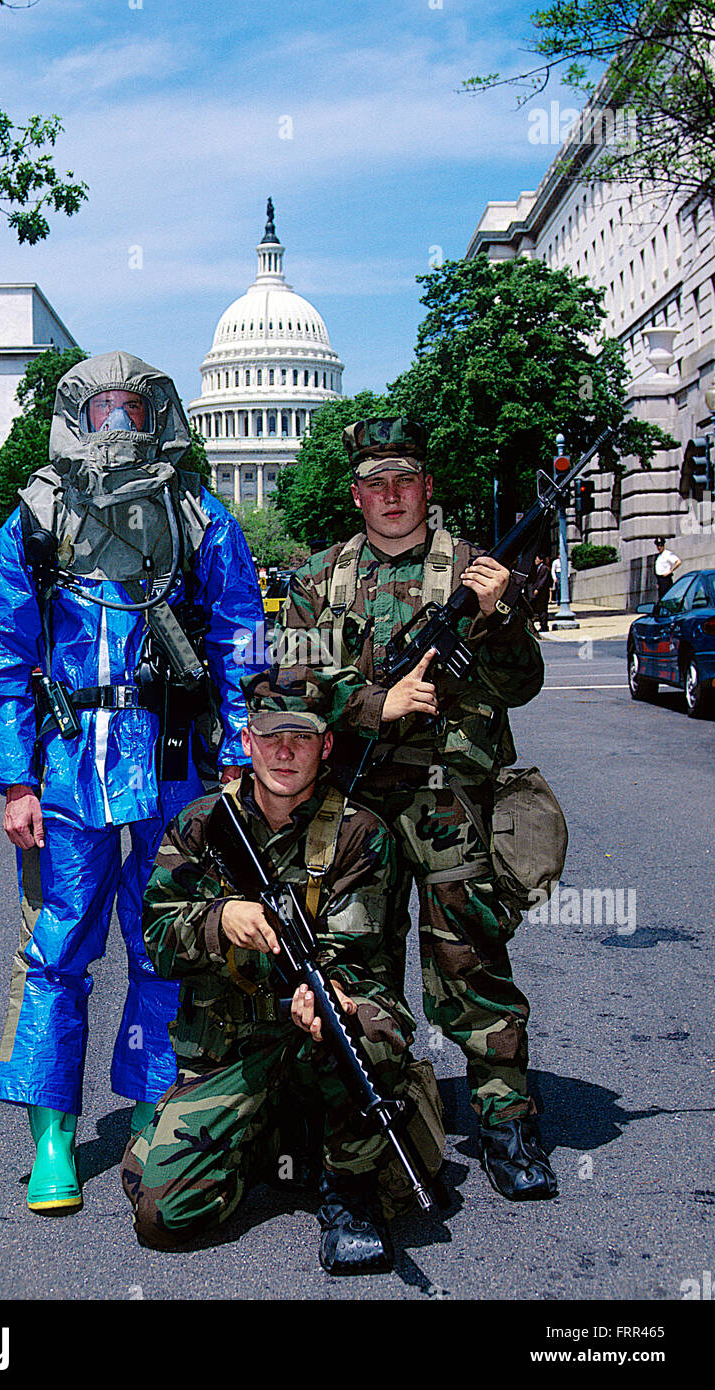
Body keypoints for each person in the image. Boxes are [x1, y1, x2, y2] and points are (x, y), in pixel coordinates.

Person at [0, 351, 263, 1213]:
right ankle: (52, 1134)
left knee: (161, 944)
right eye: (103, 412)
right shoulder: (34, 518)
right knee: (56, 950)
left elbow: (242, 635)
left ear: (158, 412)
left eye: (134, 407)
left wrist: (239, 753)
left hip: (174, 767)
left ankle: (148, 1111)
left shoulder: (199, 515)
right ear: (76, 419)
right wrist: (14, 782)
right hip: (68, 770)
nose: (120, 426)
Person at [275, 415, 558, 1201]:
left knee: (471, 961)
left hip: (449, 800)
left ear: (426, 488)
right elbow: (281, 687)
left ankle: (505, 1118)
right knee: (354, 961)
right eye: (376, 484)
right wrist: (374, 700)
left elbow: (518, 686)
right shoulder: (316, 577)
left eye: (405, 482)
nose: (392, 497)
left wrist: (500, 617)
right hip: (355, 807)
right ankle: (371, 1121)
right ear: (356, 493)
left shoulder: (474, 571)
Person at [121, 671, 445, 1274]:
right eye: (272, 736)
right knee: (160, 1212)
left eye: (303, 736)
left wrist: (336, 1003)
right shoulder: (200, 827)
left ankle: (348, 1194)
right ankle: (275, 1138)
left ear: (327, 746)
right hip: (235, 1052)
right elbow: (157, 941)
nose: (286, 751)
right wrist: (221, 921)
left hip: (320, 1040)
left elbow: (370, 968)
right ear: (247, 742)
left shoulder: (360, 835)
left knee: (362, 1037)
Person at [527, 553, 551, 633]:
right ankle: (542, 625)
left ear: (541, 560)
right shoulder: (538, 568)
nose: (535, 561)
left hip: (542, 593)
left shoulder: (544, 568)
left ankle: (544, 626)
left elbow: (542, 581)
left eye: (536, 559)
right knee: (539, 609)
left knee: (543, 609)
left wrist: (537, 589)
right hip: (539, 593)